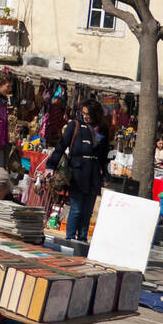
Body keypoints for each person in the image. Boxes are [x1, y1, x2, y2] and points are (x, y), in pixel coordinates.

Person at [45, 99, 109, 242]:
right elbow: (60, 147)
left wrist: (105, 175)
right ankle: (70, 239)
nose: (85, 116)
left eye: (88, 114)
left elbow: (104, 157)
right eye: (83, 113)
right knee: (77, 208)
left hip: (93, 174)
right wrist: (50, 166)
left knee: (88, 212)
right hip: (78, 172)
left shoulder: (103, 129)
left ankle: (82, 239)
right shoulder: (74, 125)